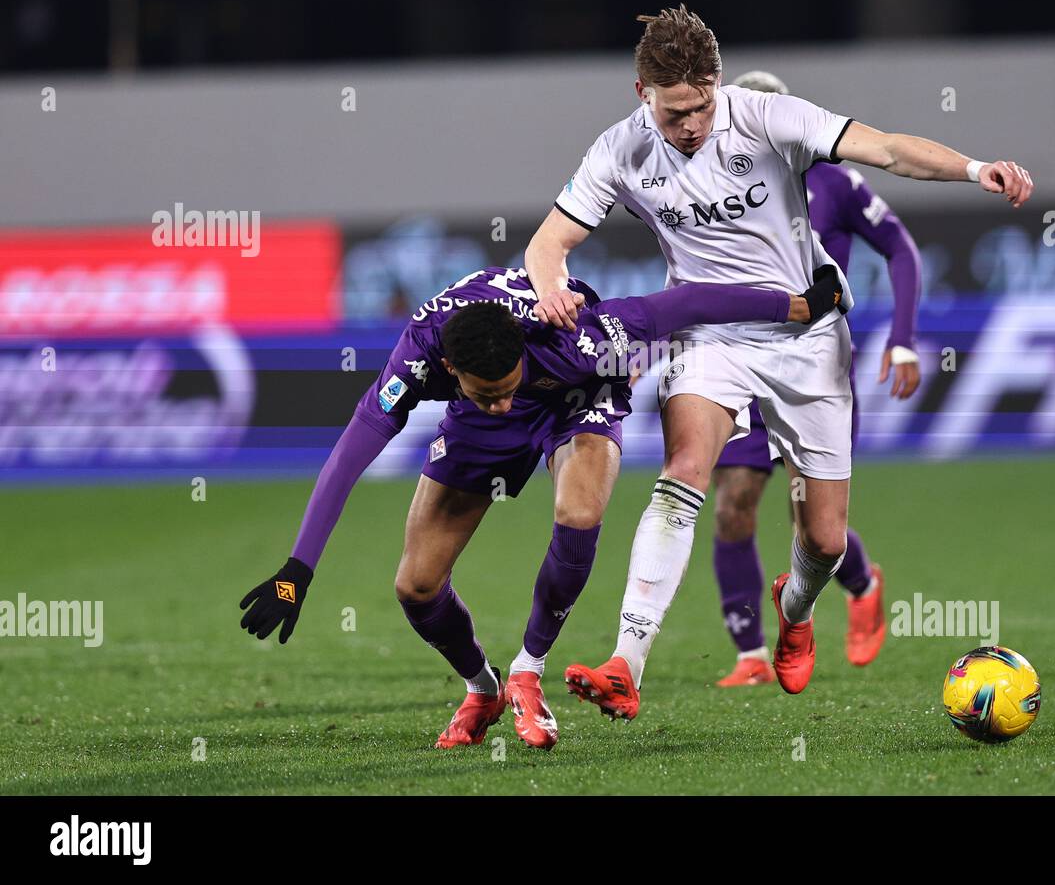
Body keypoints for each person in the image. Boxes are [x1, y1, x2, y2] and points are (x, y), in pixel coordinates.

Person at [523, 5, 1033, 720]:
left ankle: (794, 610)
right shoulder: (619, 150)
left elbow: (885, 149)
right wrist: (548, 286)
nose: (691, 125)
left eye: (701, 106)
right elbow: (550, 244)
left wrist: (976, 168)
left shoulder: (767, 117)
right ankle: (626, 662)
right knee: (686, 470)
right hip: (710, 334)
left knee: (823, 539)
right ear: (643, 92)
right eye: (675, 113)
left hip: (810, 333)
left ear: (718, 83)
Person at [237, 265, 842, 748]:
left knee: (578, 512)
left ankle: (529, 669)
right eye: (483, 392)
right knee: (416, 586)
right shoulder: (418, 357)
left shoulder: (575, 335)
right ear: (451, 371)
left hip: (572, 395)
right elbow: (348, 455)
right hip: (483, 424)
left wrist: (800, 306)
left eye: (503, 388)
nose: (498, 402)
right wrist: (298, 569)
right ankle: (484, 688)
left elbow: (687, 305)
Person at [709, 70, 923, 687]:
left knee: (809, 519)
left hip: (816, 364)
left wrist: (903, 342)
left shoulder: (836, 180)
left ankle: (862, 580)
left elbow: (901, 249)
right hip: (743, 362)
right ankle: (750, 653)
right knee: (733, 504)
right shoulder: (721, 185)